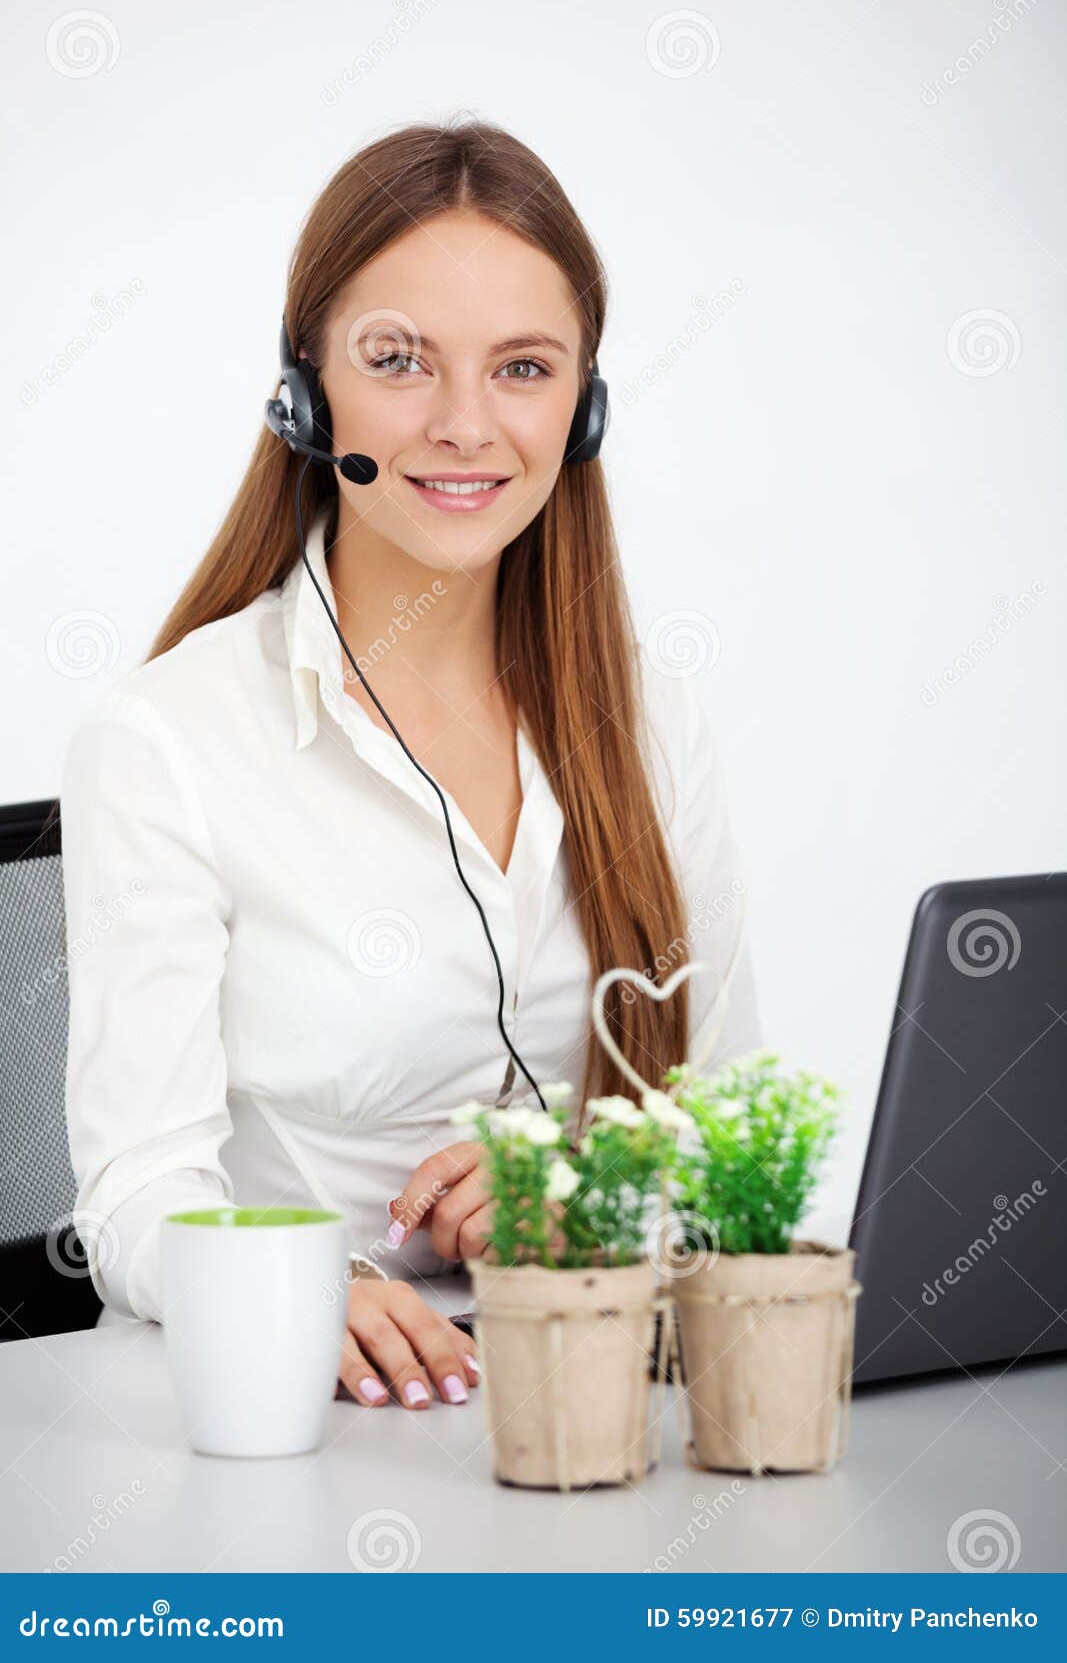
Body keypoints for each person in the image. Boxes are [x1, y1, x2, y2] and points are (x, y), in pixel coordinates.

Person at [60, 116, 762, 1413]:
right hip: (293, 1426)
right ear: (305, 391)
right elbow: (136, 1197)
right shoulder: (168, 741)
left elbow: (729, 1144)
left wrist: (591, 1189)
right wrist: (293, 1282)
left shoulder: (649, 720)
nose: (463, 425)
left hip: (589, 1408)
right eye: (400, 361)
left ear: (585, 408)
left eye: (523, 368)